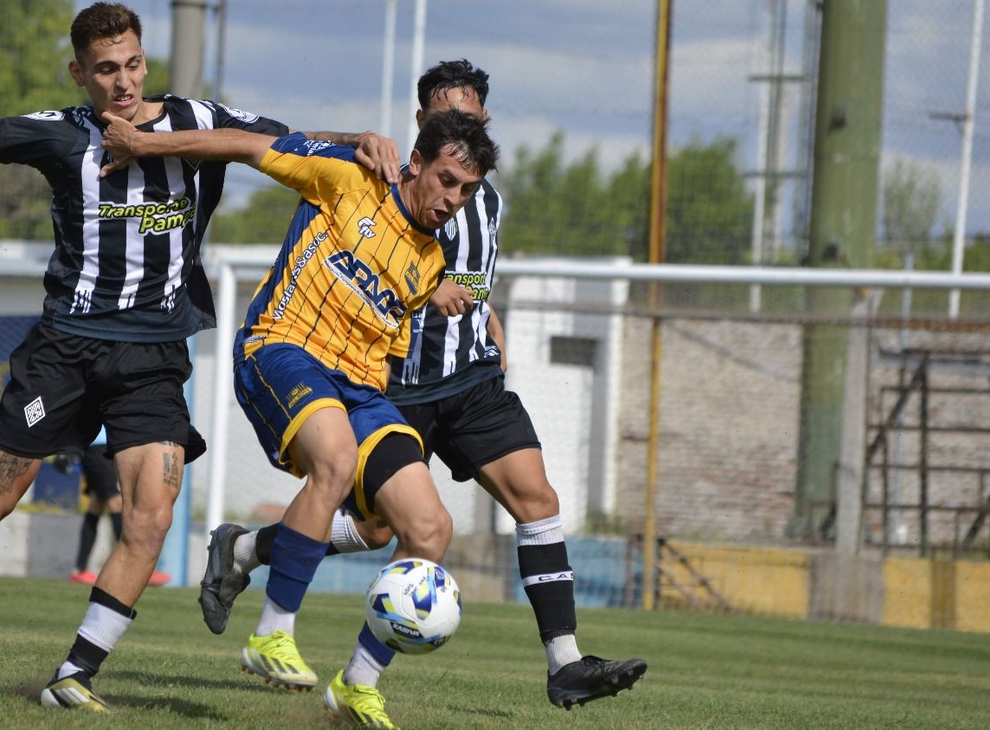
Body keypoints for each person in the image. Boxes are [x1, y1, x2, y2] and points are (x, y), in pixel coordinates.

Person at [0, 2, 397, 713]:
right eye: (106, 69)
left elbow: (288, 141)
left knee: (152, 512)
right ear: (81, 73)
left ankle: (71, 676)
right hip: (66, 354)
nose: (124, 82)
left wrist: (364, 140)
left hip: (154, 358)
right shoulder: (61, 136)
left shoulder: (196, 121)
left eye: (133, 64)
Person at [195, 59, 647, 716]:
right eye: (443, 120)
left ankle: (565, 661)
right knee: (378, 530)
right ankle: (248, 549)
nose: (456, 136)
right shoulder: (389, 179)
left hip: (471, 382)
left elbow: (463, 278)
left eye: (466, 118)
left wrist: (485, 312)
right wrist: (354, 140)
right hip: (399, 381)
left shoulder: (485, 195)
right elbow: (393, 259)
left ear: (484, 123)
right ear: (421, 130)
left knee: (535, 496)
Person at [100, 105, 498, 728]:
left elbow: (386, 357)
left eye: (467, 191)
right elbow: (242, 143)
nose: (454, 198)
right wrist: (143, 145)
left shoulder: (428, 263)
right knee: (335, 460)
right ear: (417, 162)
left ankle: (357, 685)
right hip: (281, 347)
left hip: (360, 389)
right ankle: (272, 634)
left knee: (429, 530)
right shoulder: (347, 177)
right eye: (447, 180)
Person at [68, 427, 171, 587]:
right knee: (115, 502)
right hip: (97, 447)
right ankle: (136, 566)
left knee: (97, 505)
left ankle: (79, 569)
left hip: (107, 446)